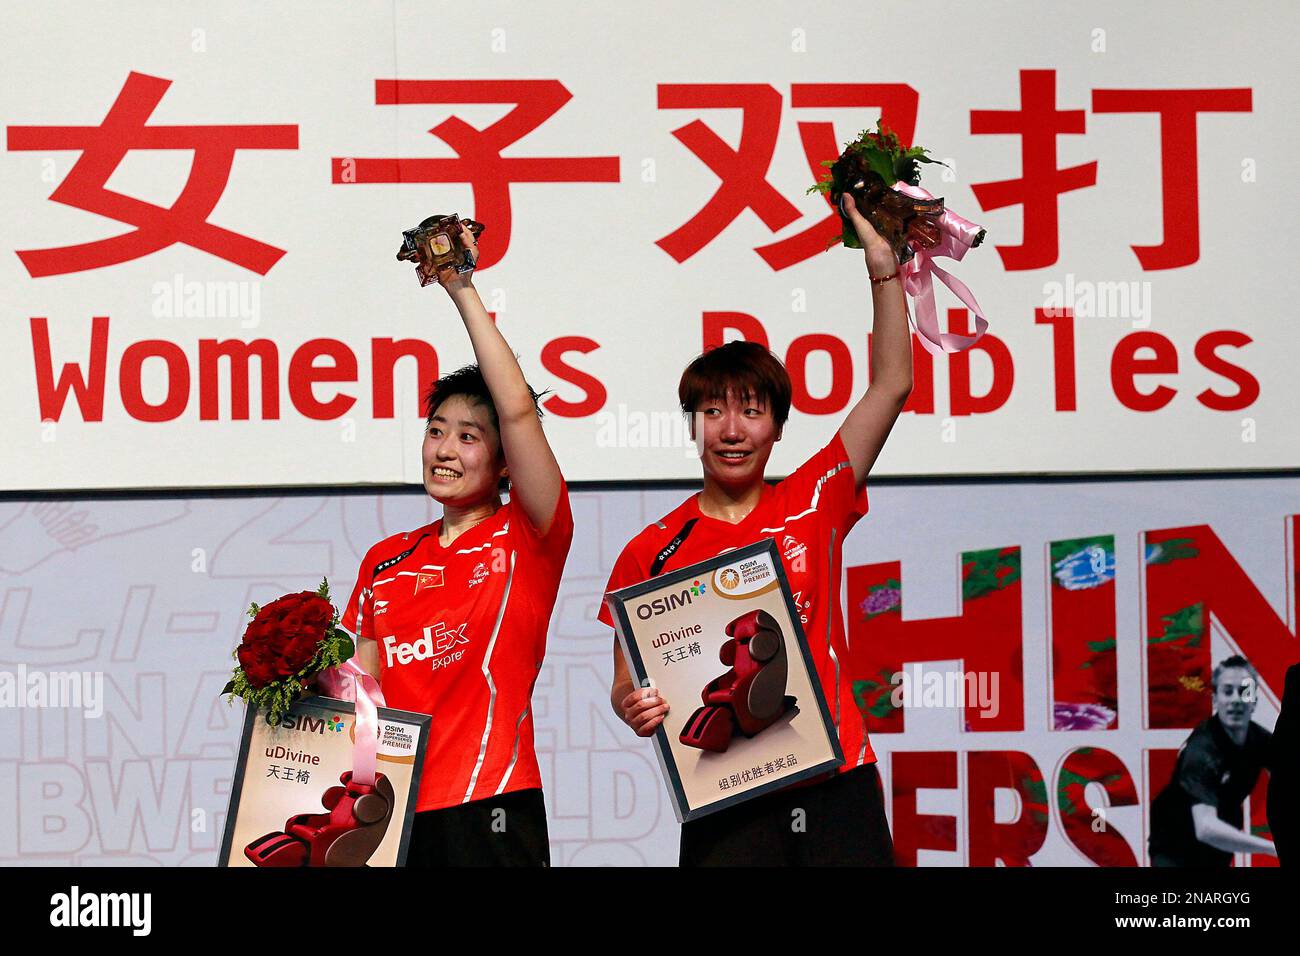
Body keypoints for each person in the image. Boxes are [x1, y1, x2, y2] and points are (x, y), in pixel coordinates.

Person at [599, 195, 911, 865]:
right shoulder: (653, 549)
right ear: (691, 423)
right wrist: (635, 704)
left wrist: (882, 263)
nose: (732, 430)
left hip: (836, 783)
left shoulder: (817, 497)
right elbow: (627, 678)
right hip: (726, 798)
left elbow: (891, 383)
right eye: (712, 411)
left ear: (777, 425)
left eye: (751, 411)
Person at [343, 223, 572, 866]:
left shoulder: (528, 533)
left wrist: (459, 289)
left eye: (470, 437)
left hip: (493, 806)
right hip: (393, 814)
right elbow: (361, 698)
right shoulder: (384, 562)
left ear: (503, 462)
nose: (445, 449)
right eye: (437, 430)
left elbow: (520, 412)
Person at [1149, 654, 1277, 866]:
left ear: (1254, 701)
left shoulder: (1262, 741)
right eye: (1228, 691)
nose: (1236, 699)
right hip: (1175, 845)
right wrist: (1273, 848)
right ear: (1216, 700)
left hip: (1219, 843)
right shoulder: (1201, 749)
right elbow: (1206, 827)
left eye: (1244, 691)